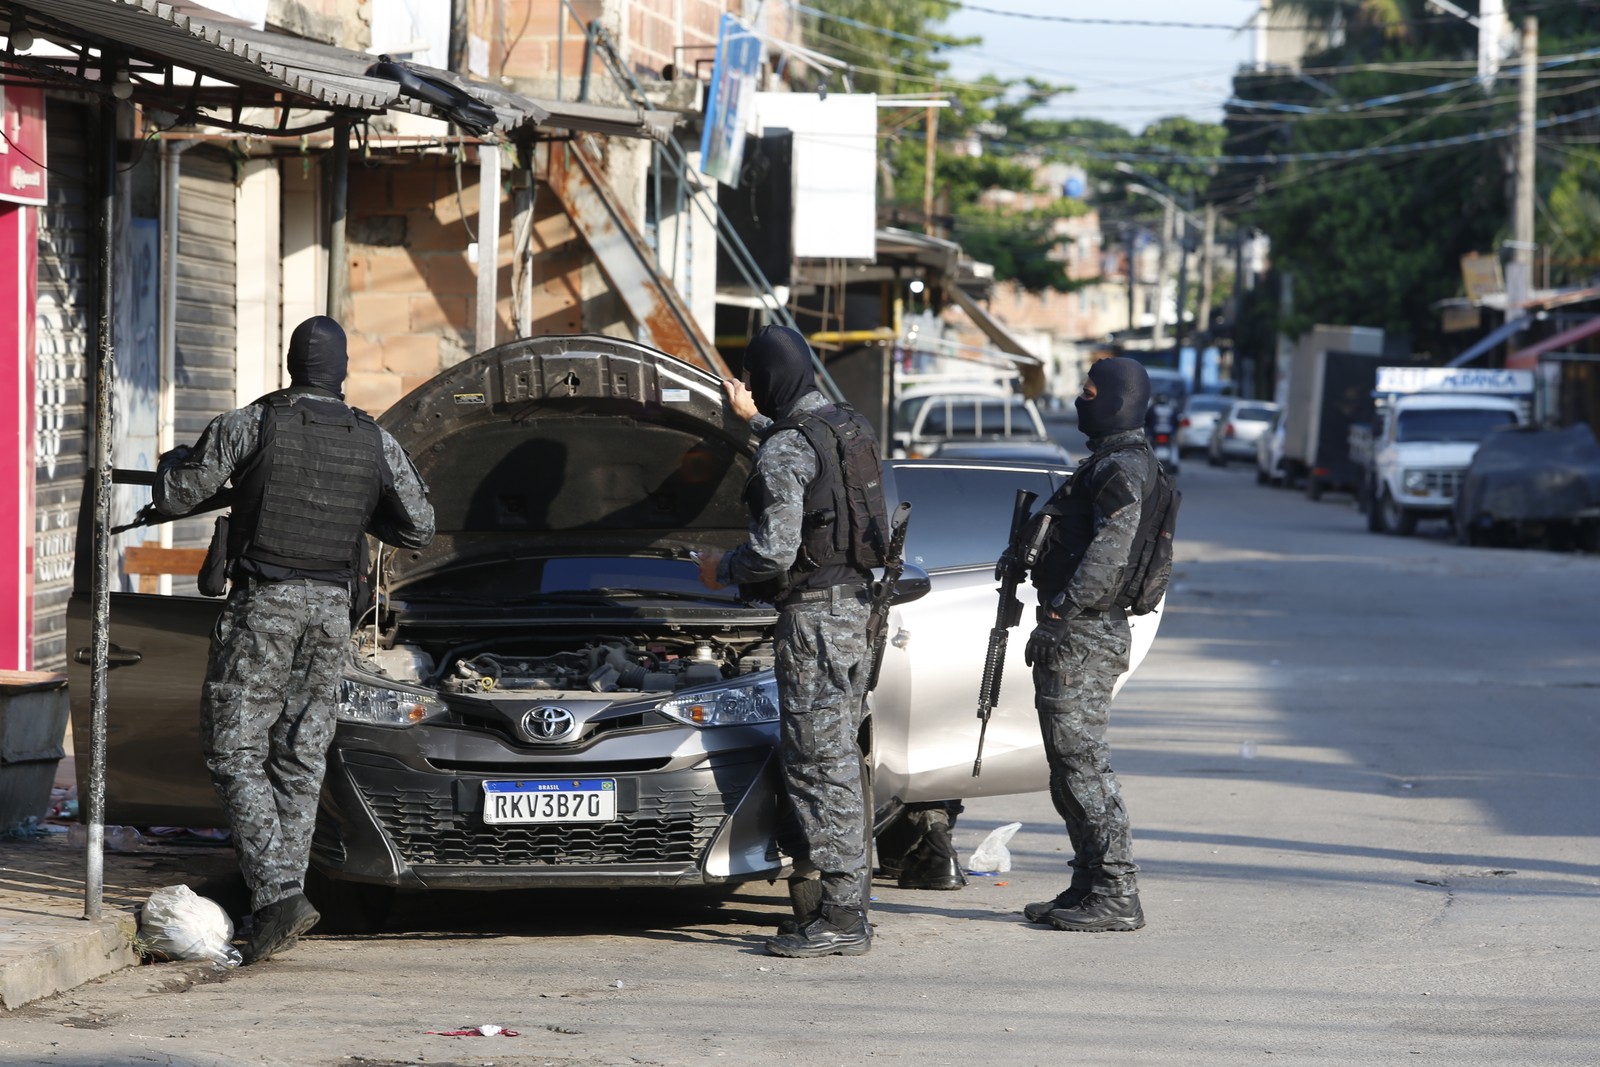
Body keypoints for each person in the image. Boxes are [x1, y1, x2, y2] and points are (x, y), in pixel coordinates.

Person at [153, 316, 435, 963]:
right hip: (334, 612)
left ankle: (278, 892)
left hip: (265, 608)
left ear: (290, 364)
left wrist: (173, 464)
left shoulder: (252, 423)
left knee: (232, 747)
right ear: (341, 373)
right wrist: (366, 510)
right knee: (301, 753)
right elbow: (419, 523)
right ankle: (280, 896)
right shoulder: (373, 439)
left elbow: (178, 492)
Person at [696, 325, 886, 958]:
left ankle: (841, 916)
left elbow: (773, 553)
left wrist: (719, 568)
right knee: (839, 759)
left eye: (753, 377)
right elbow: (808, 459)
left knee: (816, 765)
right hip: (855, 612)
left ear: (768, 377)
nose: (749, 387)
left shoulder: (786, 449)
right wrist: (755, 424)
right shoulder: (847, 426)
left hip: (812, 621)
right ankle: (848, 902)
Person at [1019, 356, 1158, 932]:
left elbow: (1111, 551)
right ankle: (1089, 882)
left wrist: (1063, 607)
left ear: (1118, 399)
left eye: (1090, 390)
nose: (1080, 399)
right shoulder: (1111, 463)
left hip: (1085, 633)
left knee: (1082, 766)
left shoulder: (1121, 469)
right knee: (1066, 767)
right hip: (1080, 631)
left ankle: (1117, 890)